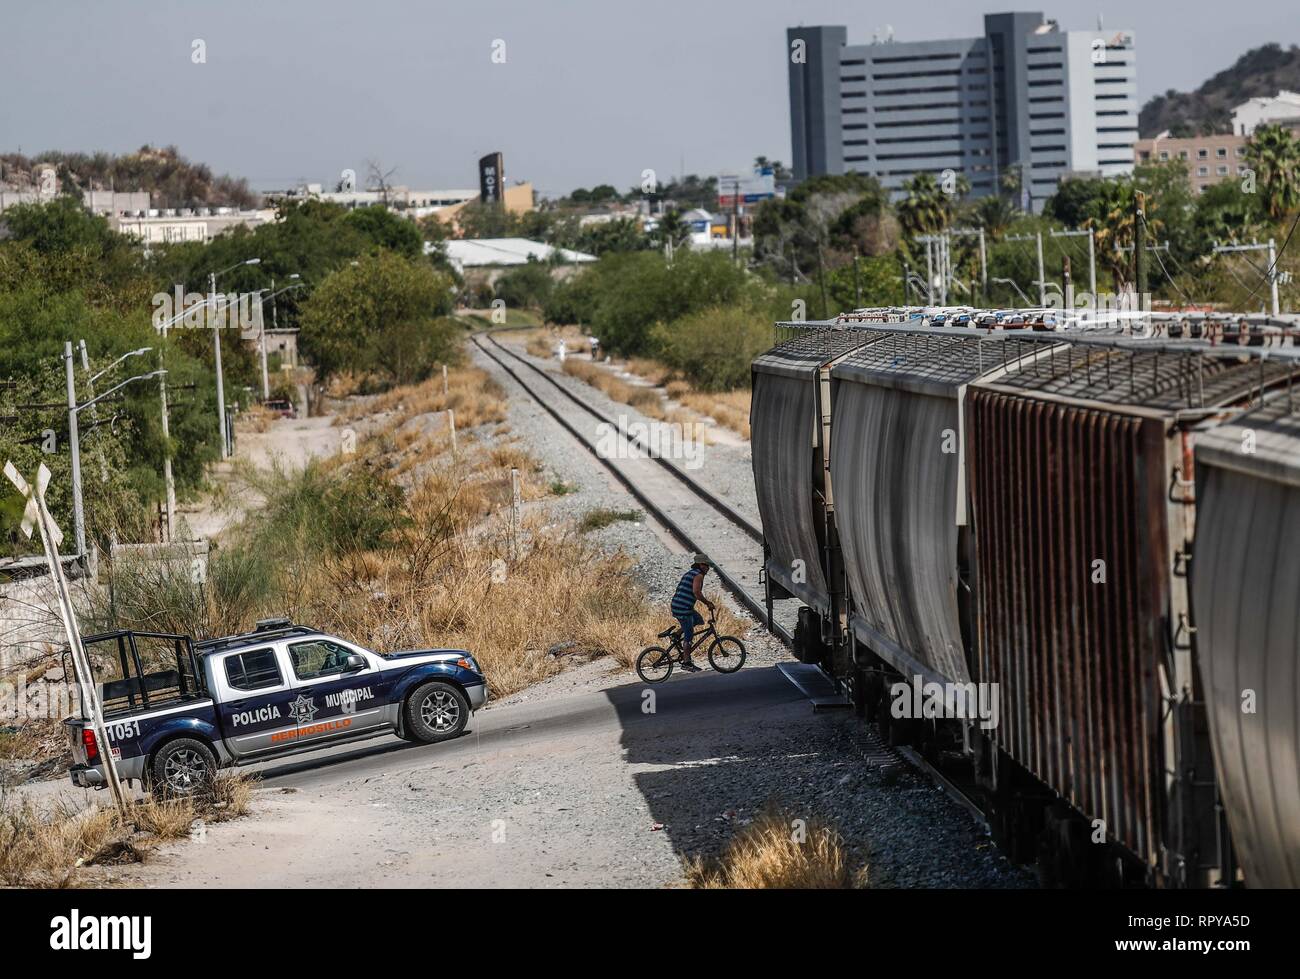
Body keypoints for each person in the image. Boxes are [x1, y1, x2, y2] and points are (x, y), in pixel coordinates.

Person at [670, 553, 715, 672]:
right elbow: (696, 592)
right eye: (705, 565)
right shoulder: (698, 575)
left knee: (698, 620)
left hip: (681, 605)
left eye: (708, 566)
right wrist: (708, 603)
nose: (707, 568)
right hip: (682, 608)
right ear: (699, 565)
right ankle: (686, 663)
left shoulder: (690, 573)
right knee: (689, 635)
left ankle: (677, 634)